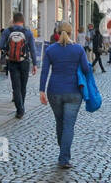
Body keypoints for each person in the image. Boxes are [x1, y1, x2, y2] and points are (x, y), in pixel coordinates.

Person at [38, 22, 94, 169]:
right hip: (74, 92)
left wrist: (41, 90)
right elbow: (86, 69)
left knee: (60, 122)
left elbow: (44, 71)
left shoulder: (50, 50)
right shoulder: (78, 49)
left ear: (57, 33)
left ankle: (63, 151)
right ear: (71, 33)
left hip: (54, 91)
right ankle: (64, 158)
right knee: (69, 125)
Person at [0, 12, 38, 119]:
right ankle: (21, 107)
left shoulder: (7, 31)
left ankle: (19, 110)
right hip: (24, 62)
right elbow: (33, 49)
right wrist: (35, 64)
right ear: (23, 21)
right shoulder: (27, 32)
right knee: (23, 86)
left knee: (16, 86)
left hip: (12, 61)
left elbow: (0, 45)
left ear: (14, 21)